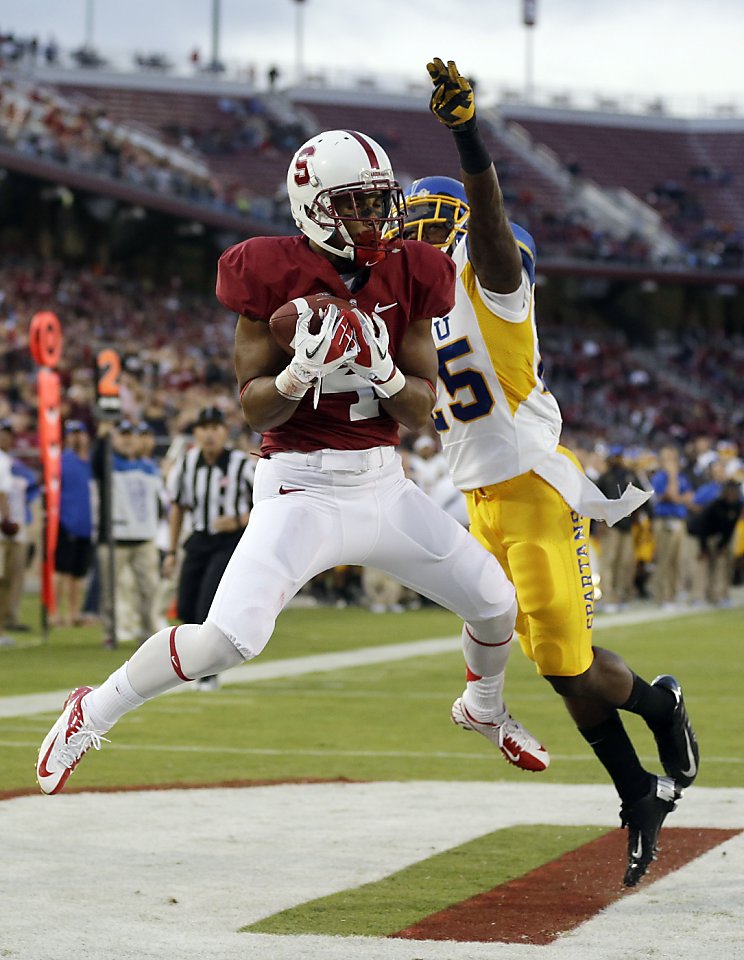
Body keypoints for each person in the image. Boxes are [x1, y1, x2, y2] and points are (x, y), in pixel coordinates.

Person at [37, 128, 548, 800]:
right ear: (313, 207)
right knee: (227, 640)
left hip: (382, 485)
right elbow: (254, 410)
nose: (375, 218)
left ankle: (482, 707)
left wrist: (385, 371)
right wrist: (299, 374)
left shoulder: (414, 269)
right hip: (300, 486)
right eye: (356, 206)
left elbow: (421, 409)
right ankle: (92, 710)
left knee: (495, 603)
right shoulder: (265, 271)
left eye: (378, 202)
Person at [400, 58, 699, 887]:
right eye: (411, 221)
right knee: (549, 662)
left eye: (436, 220)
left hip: (535, 490)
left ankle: (660, 705)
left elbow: (492, 237)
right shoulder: (414, 305)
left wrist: (468, 140)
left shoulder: (489, 280)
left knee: (569, 663)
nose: (419, 232)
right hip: (481, 501)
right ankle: (637, 792)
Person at [164, 406, 252, 690]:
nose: (209, 434)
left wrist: (239, 520)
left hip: (229, 542)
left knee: (207, 604)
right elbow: (178, 506)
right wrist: (172, 550)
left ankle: (209, 672)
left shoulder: (241, 464)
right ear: (196, 433)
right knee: (187, 606)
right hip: (199, 539)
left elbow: (265, 504)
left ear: (225, 432)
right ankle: (193, 666)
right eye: (203, 428)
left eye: (215, 427)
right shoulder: (187, 464)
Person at [54, 420, 94, 628]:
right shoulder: (62, 461)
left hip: (85, 524)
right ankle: (56, 614)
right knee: (62, 572)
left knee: (78, 574)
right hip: (66, 522)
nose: (77, 437)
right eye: (73, 433)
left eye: (80, 432)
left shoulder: (90, 462)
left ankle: (73, 613)